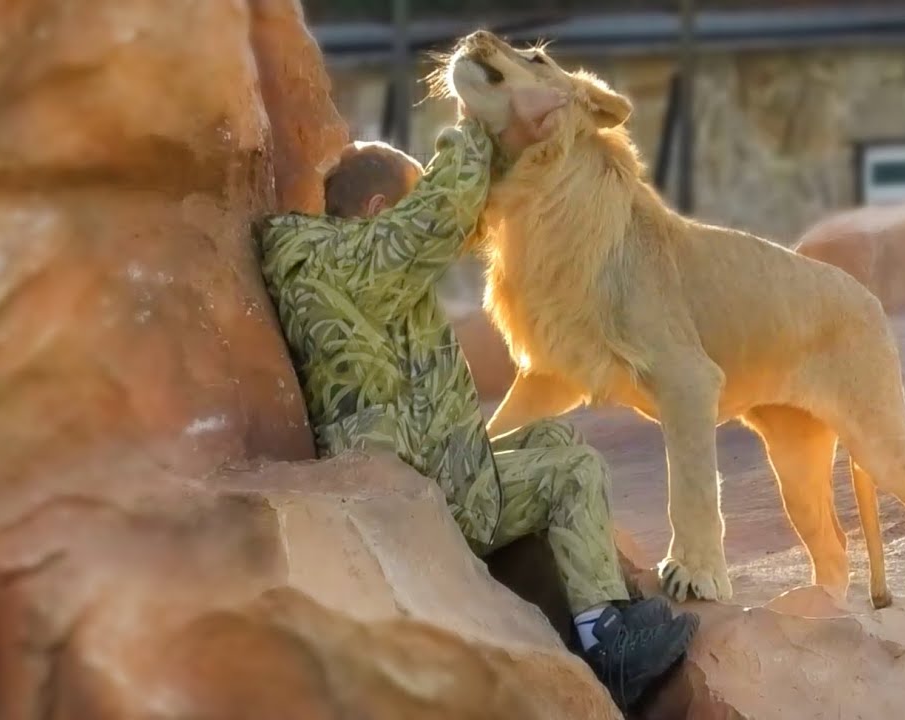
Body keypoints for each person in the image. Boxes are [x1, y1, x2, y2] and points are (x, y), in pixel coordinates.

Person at [255, 91, 698, 710]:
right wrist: (481, 123)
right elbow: (437, 216)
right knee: (573, 471)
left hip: (445, 469)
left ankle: (609, 612)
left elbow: (458, 223)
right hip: (419, 494)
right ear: (379, 210)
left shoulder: (361, 265)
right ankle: (607, 643)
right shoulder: (334, 263)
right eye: (407, 209)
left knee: (553, 439)